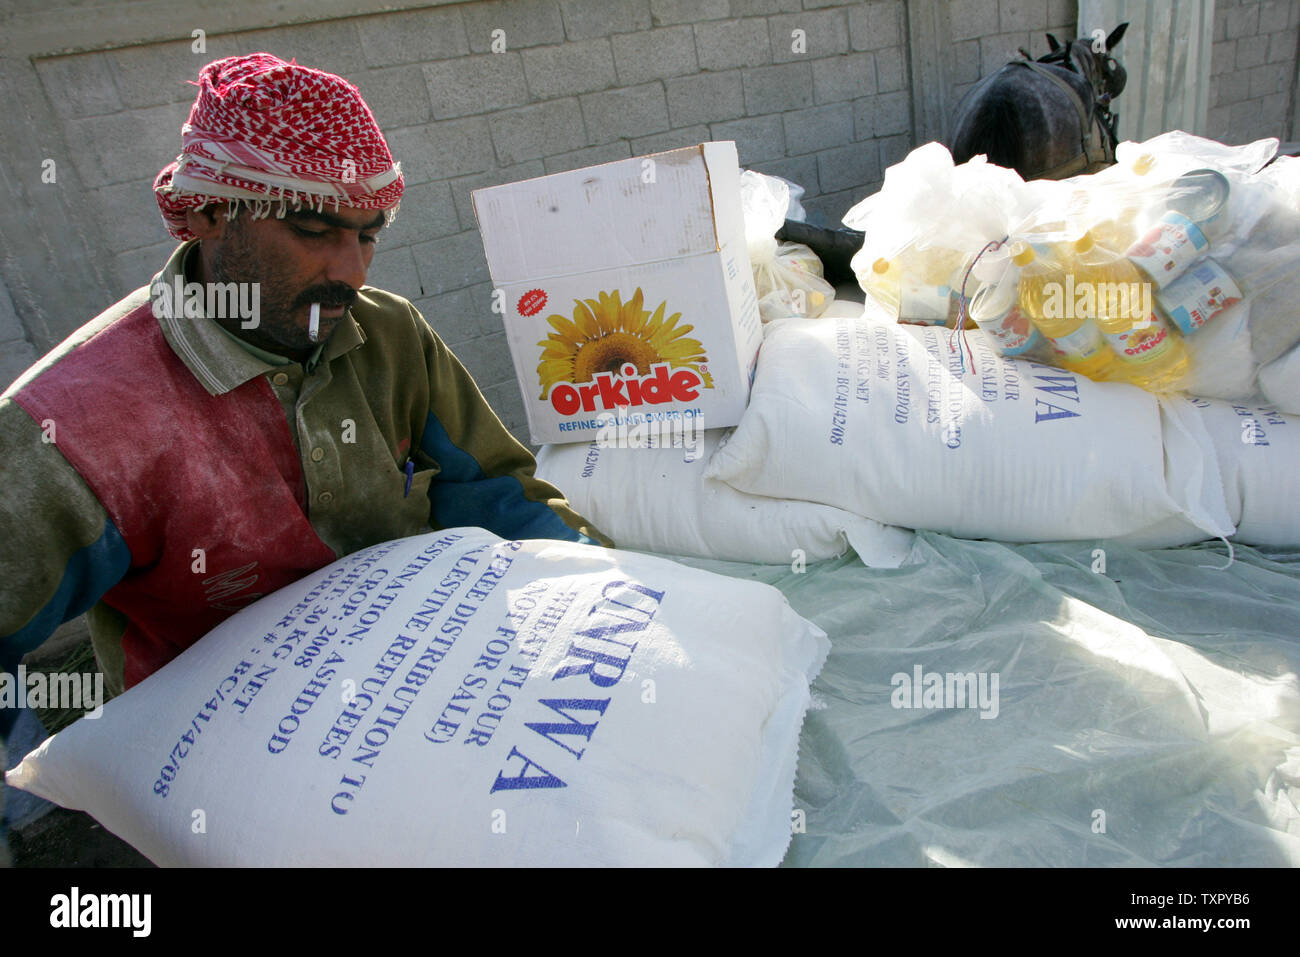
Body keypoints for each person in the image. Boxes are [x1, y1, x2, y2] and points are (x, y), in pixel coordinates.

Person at [0, 53, 607, 737]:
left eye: (368, 236)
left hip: (431, 698)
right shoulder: (73, 423)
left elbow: (501, 497)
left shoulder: (391, 335)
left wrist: (620, 601)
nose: (350, 271)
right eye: (313, 232)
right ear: (206, 213)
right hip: (225, 754)